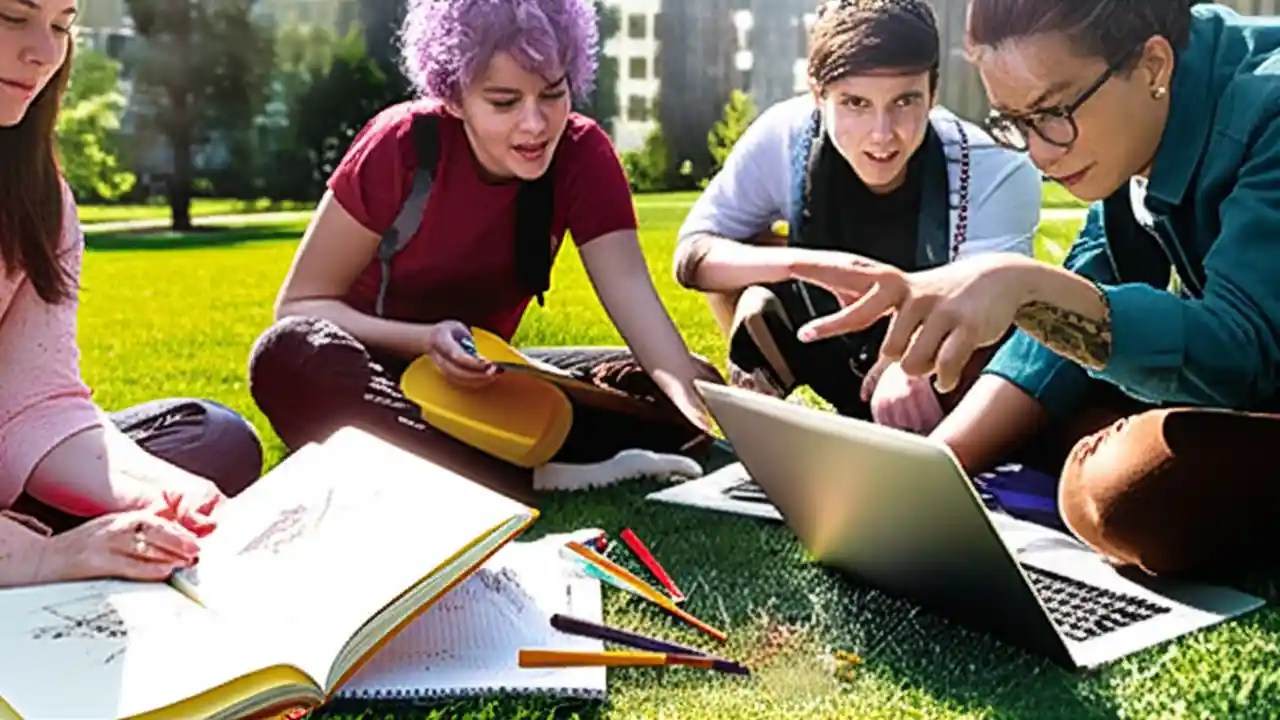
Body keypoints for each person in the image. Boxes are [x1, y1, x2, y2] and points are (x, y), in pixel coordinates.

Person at [780, 0, 1280, 576]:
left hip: (1253, 384)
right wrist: (933, 471)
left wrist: (1024, 285)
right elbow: (1094, 281)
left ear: (1153, 68)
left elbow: (1242, 352)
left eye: (1053, 111)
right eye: (1016, 123)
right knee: (958, 364)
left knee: (1127, 487)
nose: (1041, 154)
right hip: (1235, 398)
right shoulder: (1136, 117)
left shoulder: (1266, 108)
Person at [247, 0, 722, 496]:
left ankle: (484, 460)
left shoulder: (583, 155)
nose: (535, 125)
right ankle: (532, 477)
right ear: (454, 97)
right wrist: (425, 338)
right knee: (286, 355)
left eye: (553, 94)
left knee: (675, 379)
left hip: (487, 378)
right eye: (503, 102)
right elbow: (299, 306)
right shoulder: (401, 146)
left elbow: (633, 295)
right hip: (375, 373)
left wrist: (698, 410)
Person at [674, 0, 1040, 435]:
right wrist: (805, 263)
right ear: (817, 95)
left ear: (934, 93)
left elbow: (989, 306)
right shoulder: (785, 136)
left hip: (943, 361)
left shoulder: (993, 168)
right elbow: (693, 255)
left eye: (905, 100)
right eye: (855, 103)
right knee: (744, 259)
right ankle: (769, 394)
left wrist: (909, 366)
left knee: (977, 345)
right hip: (827, 337)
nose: (882, 133)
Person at [0, 0, 264, 588]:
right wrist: (52, 559)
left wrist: (156, 492)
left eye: (62, 26)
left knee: (213, 439)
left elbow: (34, 400)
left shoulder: (38, 200)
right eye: (12, 16)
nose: (43, 53)